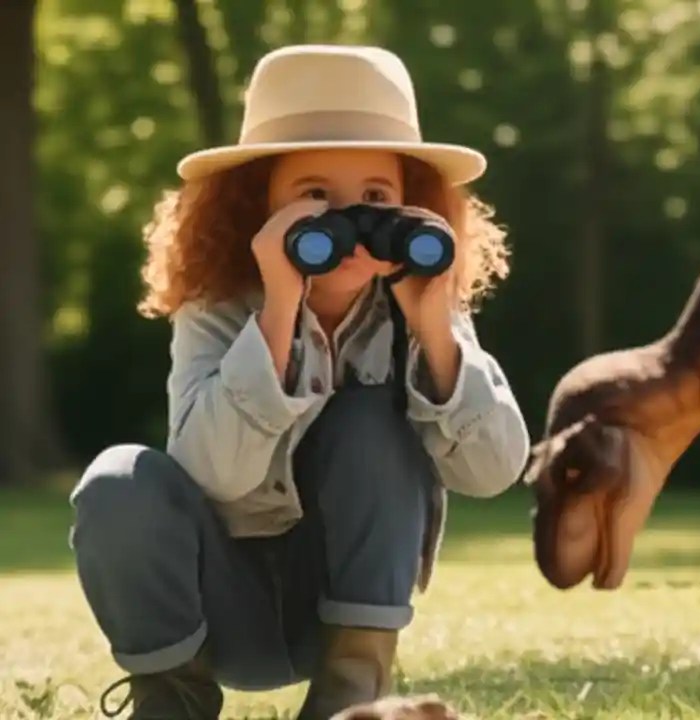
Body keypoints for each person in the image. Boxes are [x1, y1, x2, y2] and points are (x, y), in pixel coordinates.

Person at [68, 44, 530, 719]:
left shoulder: (424, 306)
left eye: (376, 199)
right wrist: (279, 311)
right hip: (214, 607)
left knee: (370, 420)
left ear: (414, 208)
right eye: (315, 195)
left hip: (342, 607)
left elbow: (493, 472)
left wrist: (435, 330)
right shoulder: (216, 307)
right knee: (117, 479)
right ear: (257, 202)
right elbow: (214, 473)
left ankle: (351, 694)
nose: (348, 220)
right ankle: (171, 701)